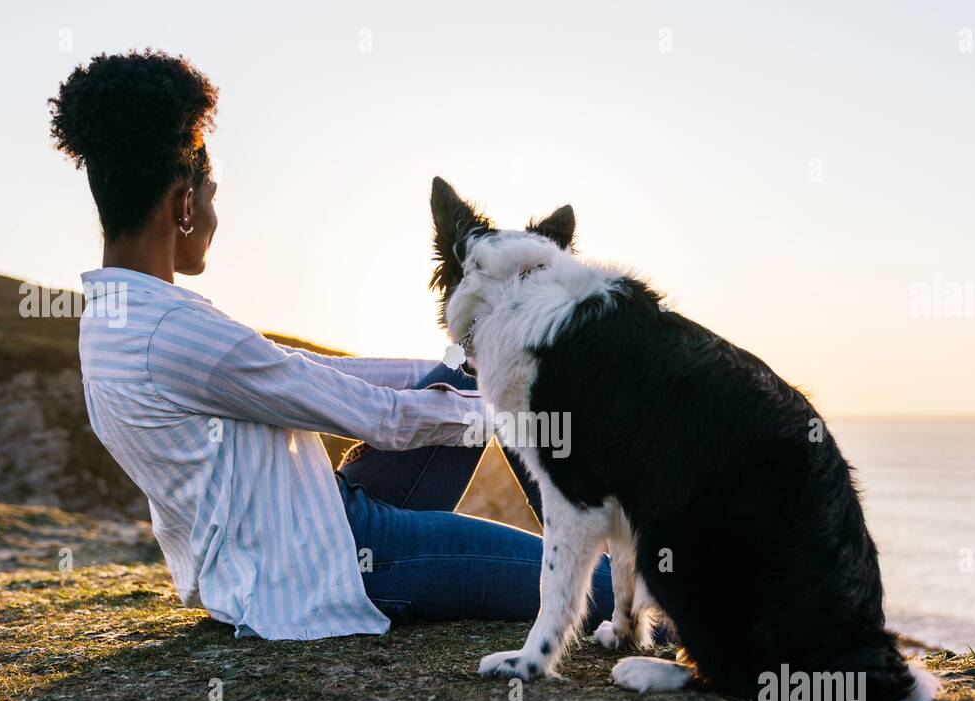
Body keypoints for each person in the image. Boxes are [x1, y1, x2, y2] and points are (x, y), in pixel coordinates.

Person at [50, 49, 613, 639]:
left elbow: (311, 370)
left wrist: (462, 375)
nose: (216, 215)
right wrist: (506, 411)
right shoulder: (171, 332)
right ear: (183, 203)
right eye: (211, 194)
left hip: (297, 531)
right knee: (589, 584)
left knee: (483, 371)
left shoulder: (120, 320)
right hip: (335, 559)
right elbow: (382, 419)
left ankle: (578, 524)